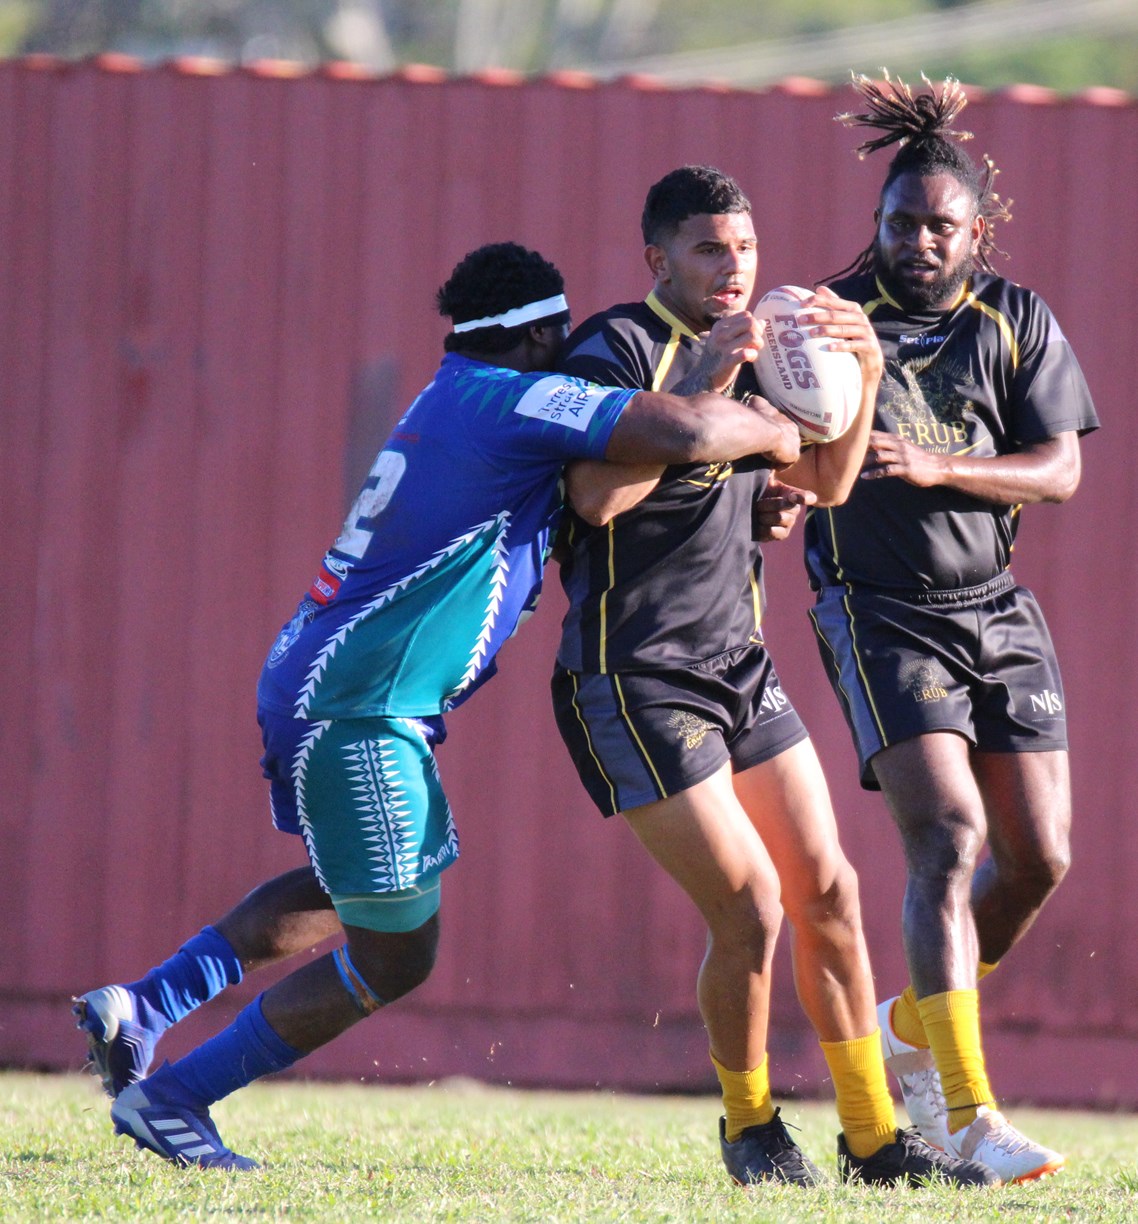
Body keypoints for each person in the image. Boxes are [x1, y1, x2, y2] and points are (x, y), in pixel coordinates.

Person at [73, 240, 810, 1170]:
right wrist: (770, 427)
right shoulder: (512, 398)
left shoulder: (456, 394)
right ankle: (176, 1097)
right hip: (361, 705)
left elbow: (611, 488)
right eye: (564, 338)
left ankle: (146, 1005)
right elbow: (691, 434)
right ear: (540, 336)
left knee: (357, 891)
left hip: (331, 684)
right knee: (399, 953)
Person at [550, 165, 996, 1188]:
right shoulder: (619, 346)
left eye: (744, 248)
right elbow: (593, 498)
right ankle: (749, 1128)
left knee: (830, 892)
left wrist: (866, 372)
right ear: (657, 259)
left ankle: (875, 1142)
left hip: (736, 665)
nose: (733, 268)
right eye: (710, 250)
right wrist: (704, 378)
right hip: (634, 675)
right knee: (750, 906)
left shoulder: (765, 356)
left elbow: (825, 484)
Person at [806, 74, 1099, 1184]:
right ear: (874, 225)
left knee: (1040, 860)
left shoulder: (1014, 322)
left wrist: (937, 464)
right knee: (947, 839)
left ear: (978, 230)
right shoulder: (829, 323)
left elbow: (1058, 470)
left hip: (996, 611)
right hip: (878, 612)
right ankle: (965, 1114)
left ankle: (912, 1034)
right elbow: (780, 442)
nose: (917, 242)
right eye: (898, 223)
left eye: (939, 225)